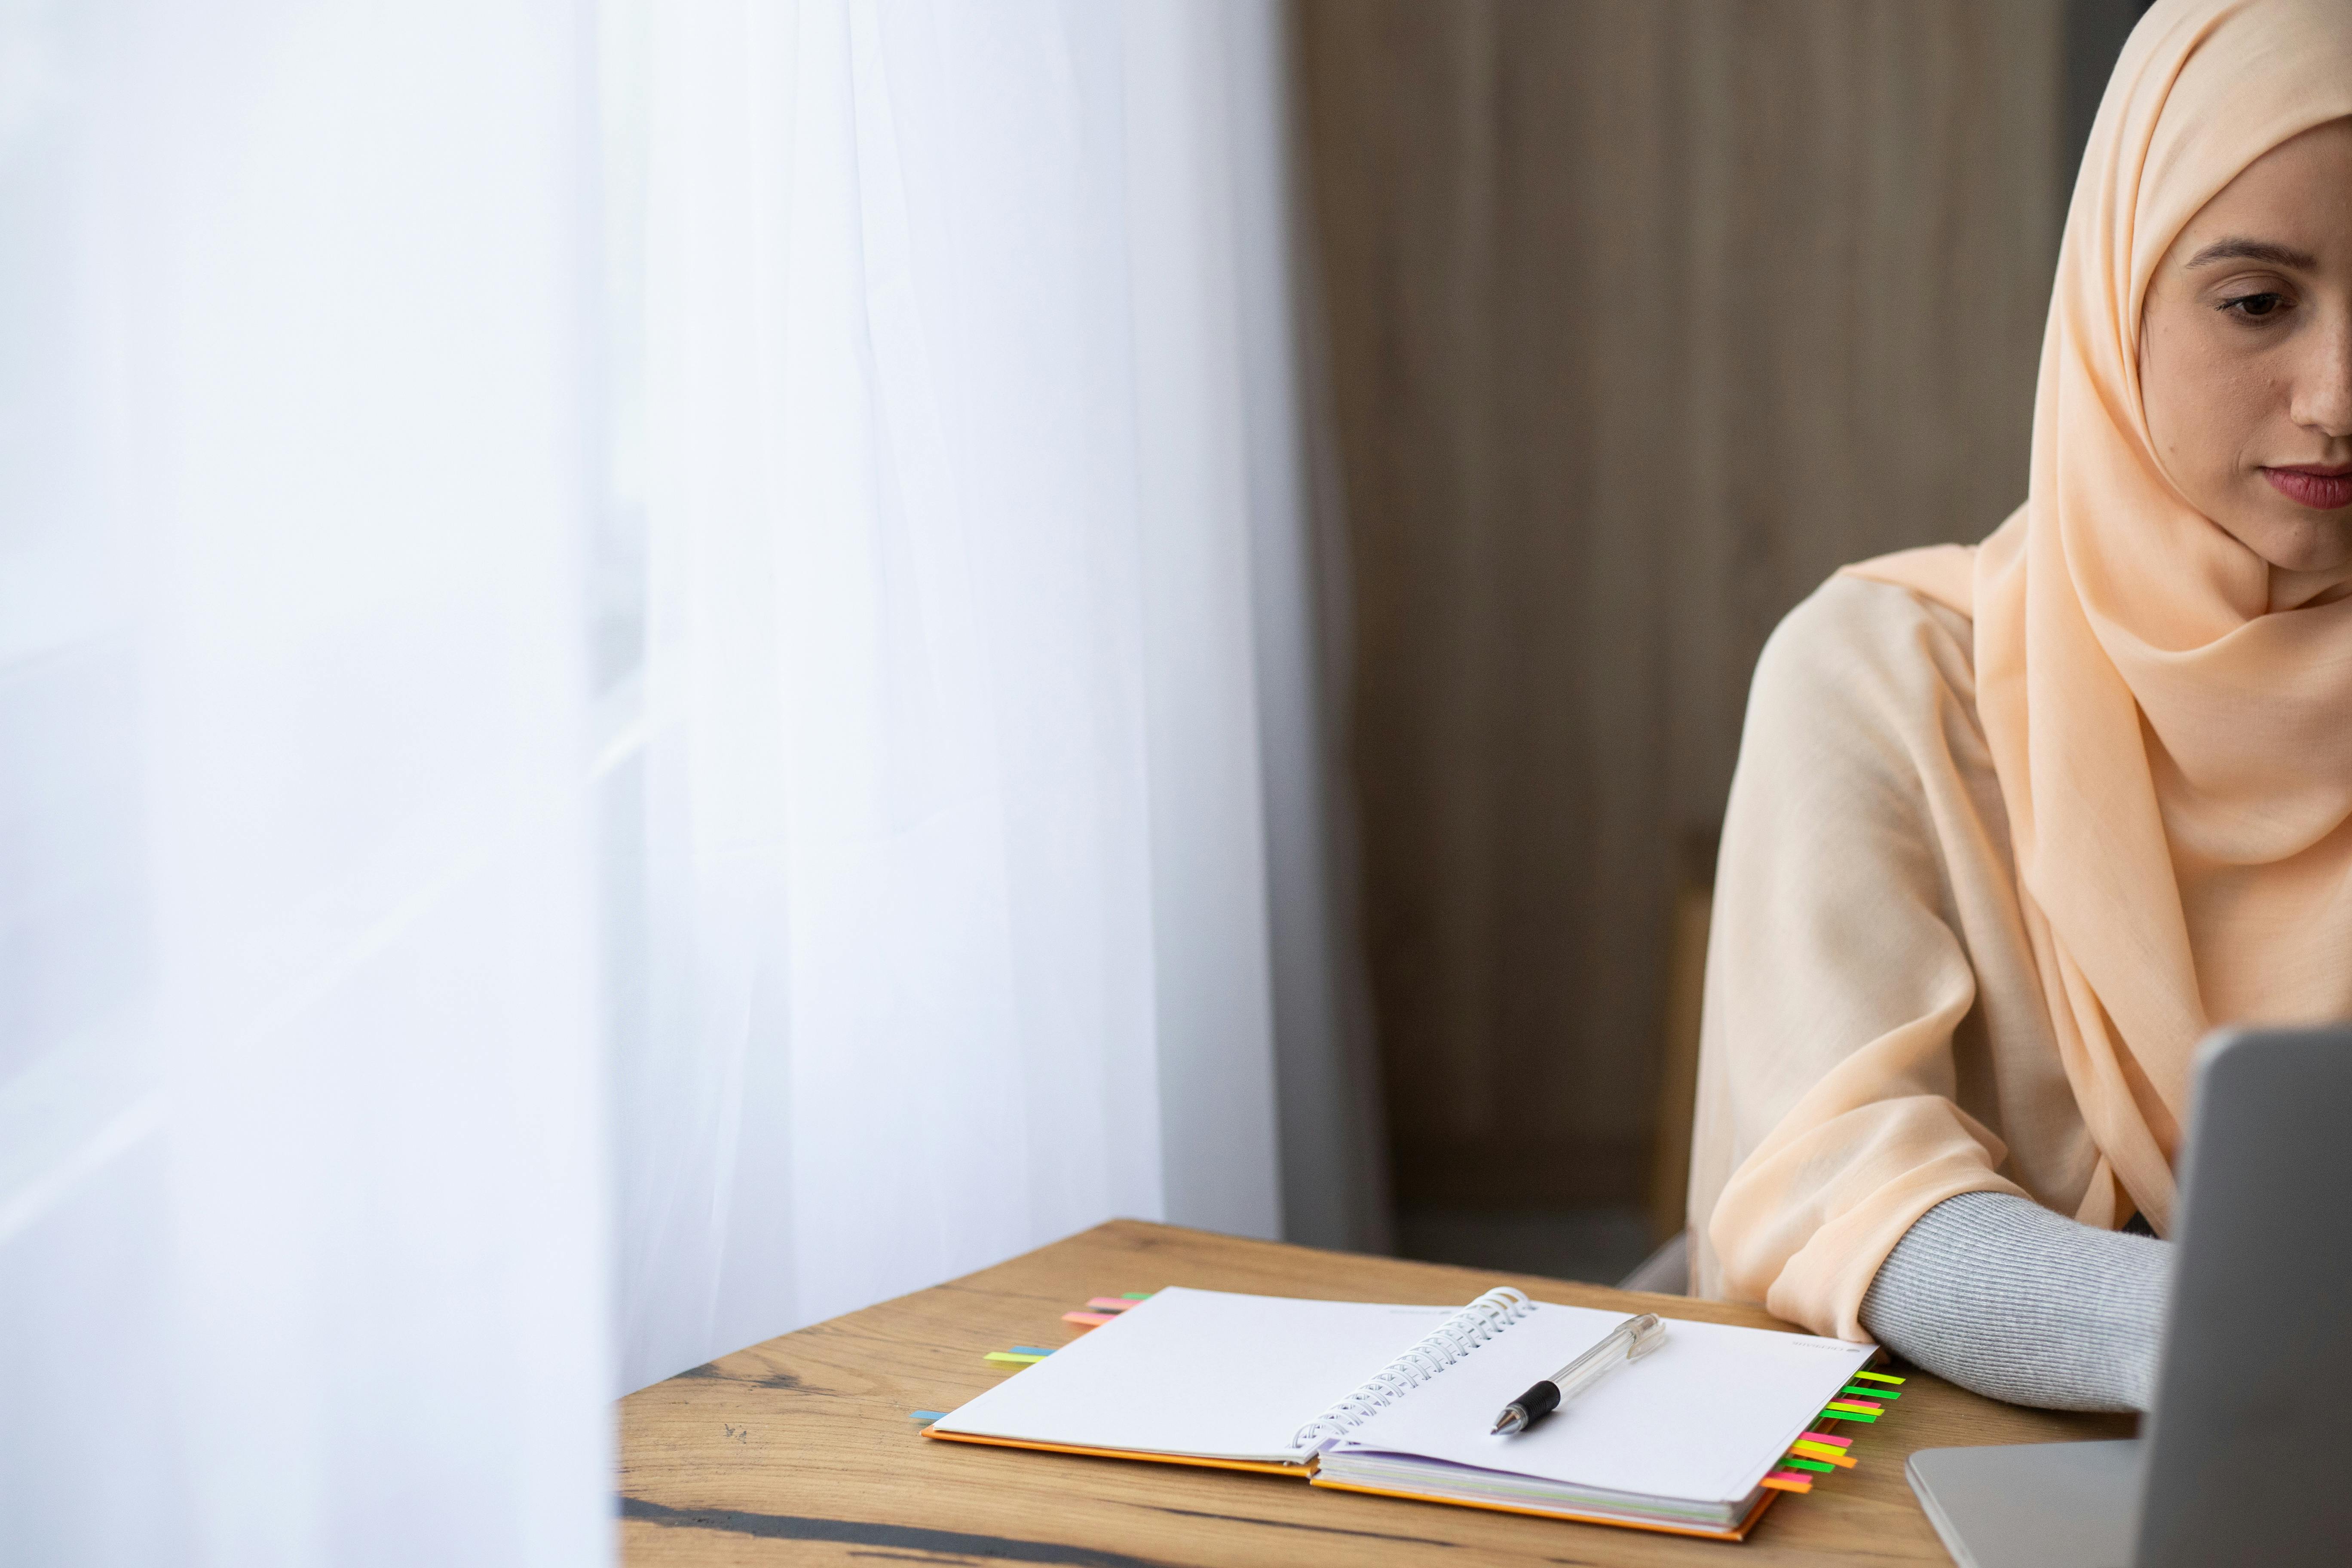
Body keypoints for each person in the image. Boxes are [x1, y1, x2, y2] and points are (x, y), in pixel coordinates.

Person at [1685, 0, 2352, 1412]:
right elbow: (1834, 1182)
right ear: (2117, 300)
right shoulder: (1883, 673)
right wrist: (2255, 1344)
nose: (2338, 394)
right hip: (1946, 1476)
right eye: (2255, 303)